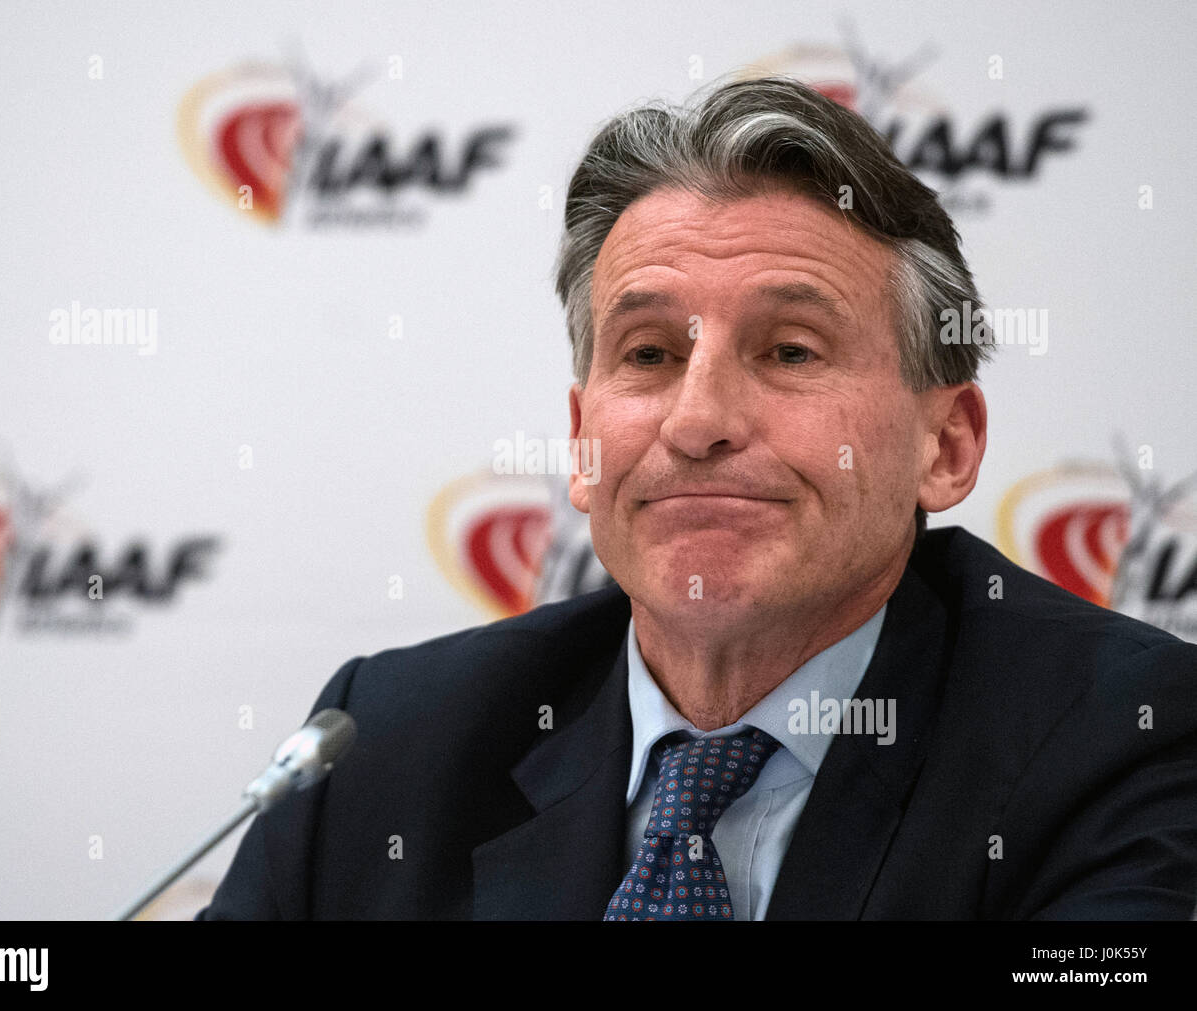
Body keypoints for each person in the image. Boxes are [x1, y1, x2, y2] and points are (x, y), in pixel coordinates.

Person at [197, 76, 1197, 920]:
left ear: (945, 444)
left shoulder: (1123, 741)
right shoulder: (387, 746)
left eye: (789, 350)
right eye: (648, 354)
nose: (697, 418)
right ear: (585, 442)